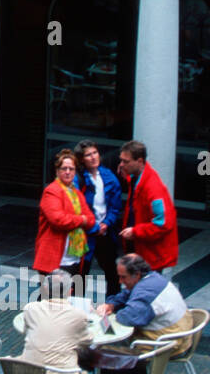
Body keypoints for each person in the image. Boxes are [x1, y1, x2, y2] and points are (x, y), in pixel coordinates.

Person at [21, 271, 93, 374]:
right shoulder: (78, 315)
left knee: (28, 357)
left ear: (45, 289)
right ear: (70, 292)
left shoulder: (30, 309)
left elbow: (27, 331)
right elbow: (87, 341)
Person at [97, 254, 194, 354]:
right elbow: (127, 293)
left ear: (137, 275)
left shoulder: (145, 293)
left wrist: (111, 315)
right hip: (180, 333)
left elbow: (126, 318)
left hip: (170, 343)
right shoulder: (152, 277)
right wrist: (111, 304)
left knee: (100, 351)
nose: (120, 281)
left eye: (123, 277)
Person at [117, 140, 178, 275]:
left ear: (139, 161)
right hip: (142, 252)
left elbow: (162, 224)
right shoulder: (138, 178)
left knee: (145, 291)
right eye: (121, 160)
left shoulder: (153, 189)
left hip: (149, 257)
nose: (121, 165)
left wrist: (135, 232)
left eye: (125, 162)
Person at [33, 149, 96, 276]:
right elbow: (58, 220)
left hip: (74, 256)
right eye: (64, 168)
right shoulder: (51, 191)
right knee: (51, 295)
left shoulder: (76, 193)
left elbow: (91, 220)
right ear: (57, 171)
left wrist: (79, 219)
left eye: (71, 169)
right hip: (56, 257)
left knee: (69, 294)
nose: (68, 172)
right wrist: (81, 220)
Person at [75, 140, 123, 298]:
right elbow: (77, 207)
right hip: (85, 233)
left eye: (95, 153)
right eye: (88, 155)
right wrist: (93, 226)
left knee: (112, 273)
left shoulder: (108, 176)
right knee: (80, 273)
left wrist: (106, 224)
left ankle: (113, 306)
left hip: (105, 232)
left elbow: (115, 207)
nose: (93, 157)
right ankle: (77, 309)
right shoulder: (79, 179)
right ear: (82, 159)